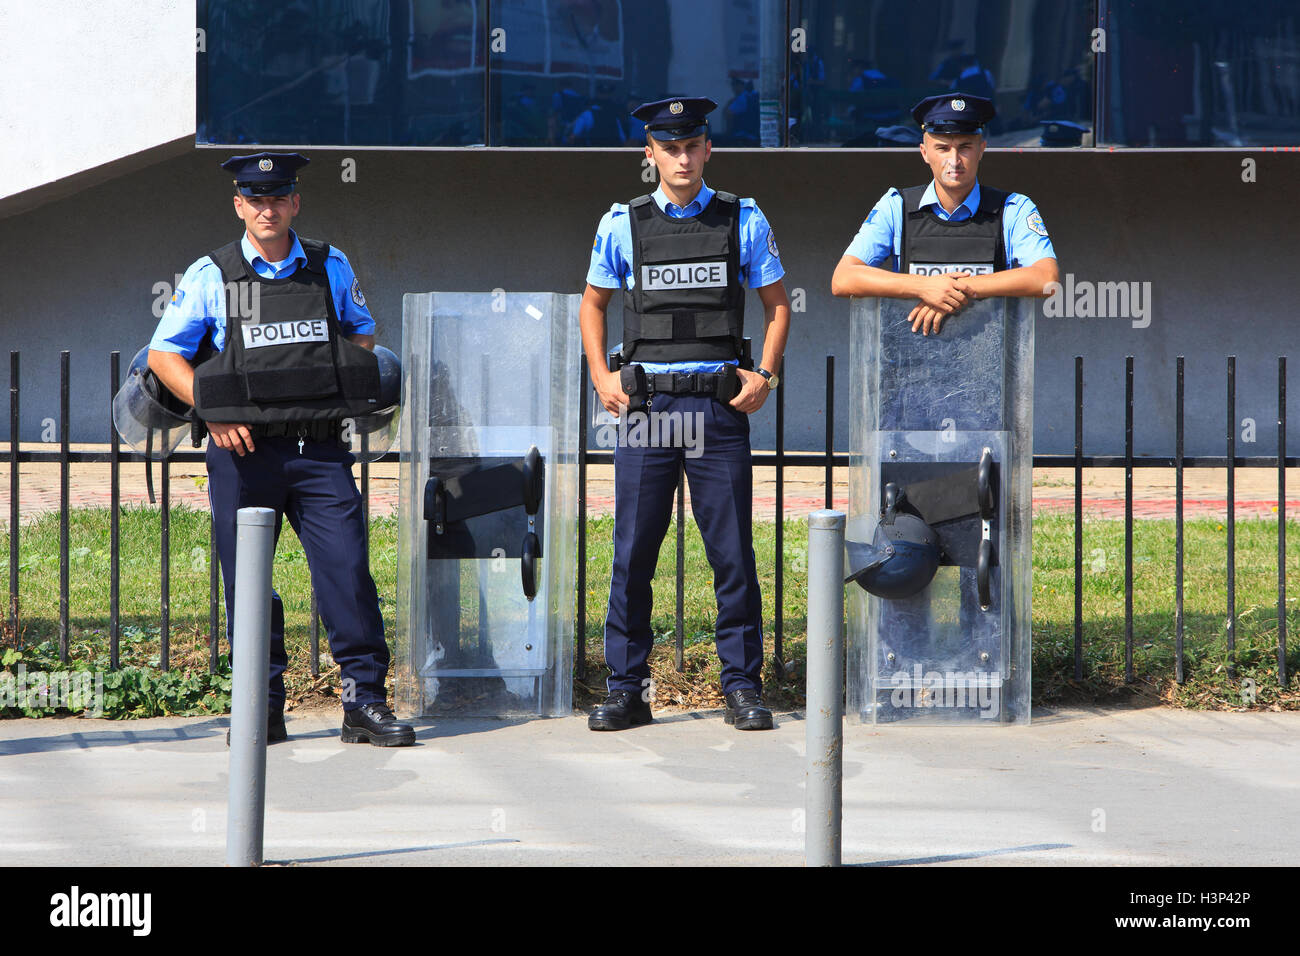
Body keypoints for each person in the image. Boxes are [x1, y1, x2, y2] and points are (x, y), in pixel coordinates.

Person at [146, 152, 415, 747]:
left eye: (279, 197)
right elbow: (165, 356)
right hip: (244, 454)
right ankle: (261, 709)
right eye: (255, 199)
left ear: (295, 202)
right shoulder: (211, 275)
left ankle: (364, 702)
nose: (268, 208)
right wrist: (213, 409)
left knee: (346, 573)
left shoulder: (328, 265)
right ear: (239, 205)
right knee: (249, 583)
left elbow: (360, 335)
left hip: (319, 451)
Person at [581, 97, 791, 731]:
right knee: (633, 552)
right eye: (668, 147)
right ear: (650, 154)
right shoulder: (623, 223)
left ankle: (742, 687)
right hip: (648, 407)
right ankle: (627, 689)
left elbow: (778, 306)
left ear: (707, 150)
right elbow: (592, 304)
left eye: (691, 145)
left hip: (717, 406)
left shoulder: (742, 219)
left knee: (731, 553)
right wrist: (600, 375)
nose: (681, 157)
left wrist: (766, 376)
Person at [831, 93, 1058, 327]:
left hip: (990, 357)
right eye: (942, 148)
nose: (954, 160)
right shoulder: (895, 206)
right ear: (924, 153)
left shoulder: (1013, 209)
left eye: (965, 147)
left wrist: (955, 289)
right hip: (912, 356)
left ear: (981, 149)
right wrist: (924, 287)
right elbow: (844, 278)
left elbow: (1046, 278)